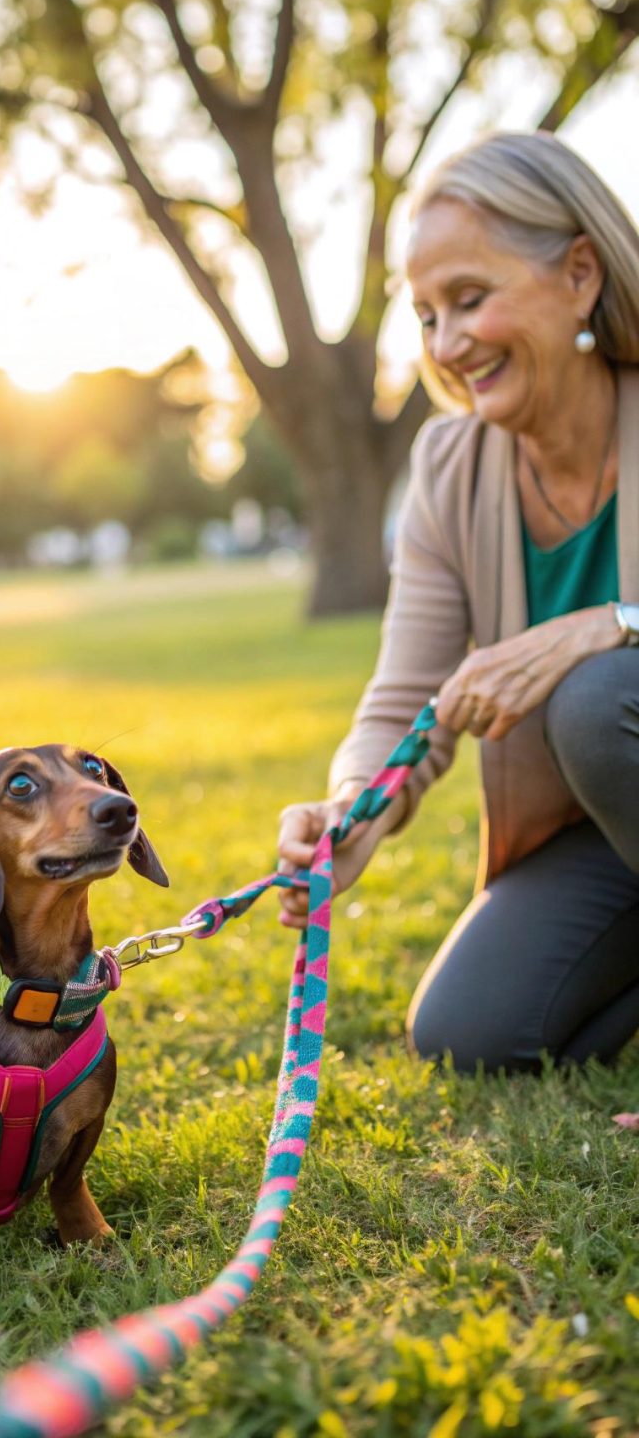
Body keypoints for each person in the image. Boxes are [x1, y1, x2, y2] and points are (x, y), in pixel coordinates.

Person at [277, 131, 639, 1075]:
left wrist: (610, 625)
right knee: (470, 1032)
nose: (447, 345)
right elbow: (408, 701)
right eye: (427, 316)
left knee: (597, 701)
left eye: (470, 301)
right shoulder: (451, 465)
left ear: (580, 274)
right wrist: (354, 809)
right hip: (606, 835)